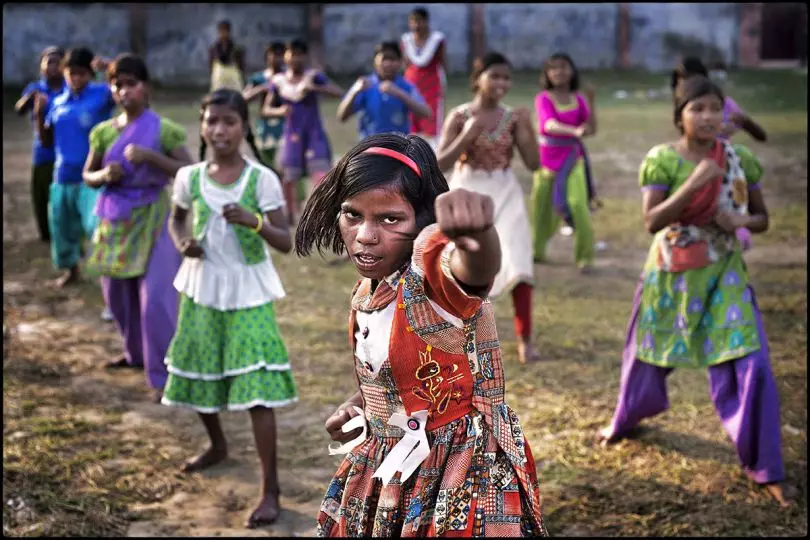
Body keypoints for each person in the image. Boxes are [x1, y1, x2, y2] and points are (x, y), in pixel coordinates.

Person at [295, 133, 548, 537]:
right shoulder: (367, 292)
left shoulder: (430, 279)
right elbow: (398, 374)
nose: (365, 235)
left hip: (455, 472)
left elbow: (473, 273)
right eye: (353, 215)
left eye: (390, 219)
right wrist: (362, 405)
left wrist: (478, 235)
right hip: (390, 463)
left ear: (424, 220)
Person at [598, 76, 791, 508]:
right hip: (672, 274)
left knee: (751, 363)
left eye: (715, 108)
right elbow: (651, 221)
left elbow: (763, 219)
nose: (708, 116)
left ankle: (766, 466)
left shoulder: (740, 158)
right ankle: (625, 420)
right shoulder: (662, 160)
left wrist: (738, 222)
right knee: (645, 354)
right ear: (679, 116)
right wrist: (695, 182)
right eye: (697, 108)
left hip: (725, 273)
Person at [161, 88, 297, 528]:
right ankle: (217, 444)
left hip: (249, 293)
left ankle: (270, 489)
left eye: (229, 122)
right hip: (202, 288)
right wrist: (183, 243)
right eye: (211, 121)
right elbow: (177, 217)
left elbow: (286, 238)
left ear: (244, 127)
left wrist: (253, 221)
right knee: (201, 373)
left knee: (257, 389)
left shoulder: (261, 180)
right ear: (201, 126)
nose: (220, 130)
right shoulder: (190, 177)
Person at [82, 54, 192, 399]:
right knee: (117, 295)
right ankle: (135, 354)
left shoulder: (163, 129)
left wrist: (152, 158)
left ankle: (162, 374)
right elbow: (87, 175)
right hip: (114, 217)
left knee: (156, 298)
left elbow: (190, 171)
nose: (124, 90)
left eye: (131, 83)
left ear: (146, 88)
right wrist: (102, 176)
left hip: (155, 216)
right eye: (118, 84)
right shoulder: (102, 132)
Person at [437, 52, 540, 365]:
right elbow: (440, 163)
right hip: (467, 191)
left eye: (506, 77)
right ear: (478, 78)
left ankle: (525, 340)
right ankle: (459, 340)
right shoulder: (459, 115)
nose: (501, 83)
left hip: (504, 192)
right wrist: (468, 134)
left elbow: (534, 163)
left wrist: (528, 129)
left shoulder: (512, 117)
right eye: (494, 76)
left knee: (520, 261)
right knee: (461, 267)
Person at [35, 46, 117, 289]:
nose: (76, 78)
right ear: (64, 72)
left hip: (92, 176)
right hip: (62, 175)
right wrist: (40, 116)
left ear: (89, 75)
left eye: (82, 73)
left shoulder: (101, 95)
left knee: (98, 228)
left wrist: (108, 67)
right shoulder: (56, 101)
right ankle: (72, 270)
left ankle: (110, 277)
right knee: (61, 228)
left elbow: (126, 87)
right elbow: (48, 141)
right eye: (72, 73)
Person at [530, 53, 599, 272]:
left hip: (573, 159)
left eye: (564, 67)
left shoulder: (578, 99)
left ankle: (585, 257)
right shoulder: (543, 98)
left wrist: (592, 102)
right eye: (554, 68)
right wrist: (574, 131)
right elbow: (548, 125)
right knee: (542, 211)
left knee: (578, 205)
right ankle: (537, 251)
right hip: (547, 161)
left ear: (572, 71)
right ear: (547, 74)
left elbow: (591, 129)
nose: (559, 72)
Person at [266, 39, 343, 225]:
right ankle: (290, 216)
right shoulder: (279, 81)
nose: (296, 58)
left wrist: (315, 88)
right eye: (292, 53)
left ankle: (321, 215)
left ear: (305, 57)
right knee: (289, 178)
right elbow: (266, 108)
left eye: (300, 54)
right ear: (286, 56)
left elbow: (338, 92)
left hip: (314, 133)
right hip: (292, 134)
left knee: (321, 174)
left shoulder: (313, 77)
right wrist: (279, 111)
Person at [15, 46, 66, 243]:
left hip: (65, 153)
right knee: (41, 195)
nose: (53, 66)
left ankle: (63, 232)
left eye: (57, 62)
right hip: (43, 153)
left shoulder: (69, 89)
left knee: (62, 197)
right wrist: (29, 100)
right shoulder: (36, 89)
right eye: (49, 62)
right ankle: (46, 234)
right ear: (41, 67)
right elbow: (19, 110)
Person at [337, 41, 431, 140]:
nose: (388, 64)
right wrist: (354, 92)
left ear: (400, 62)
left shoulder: (406, 87)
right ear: (375, 62)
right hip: (370, 146)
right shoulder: (365, 85)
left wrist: (400, 94)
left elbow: (426, 113)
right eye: (384, 59)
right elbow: (341, 117)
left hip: (398, 147)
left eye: (392, 59)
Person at [671, 56, 767, 142]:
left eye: (715, 109)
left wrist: (744, 122)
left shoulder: (724, 102)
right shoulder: (668, 156)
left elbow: (760, 136)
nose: (706, 116)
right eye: (698, 109)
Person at [401, 7, 447, 150]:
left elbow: (443, 63)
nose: (416, 25)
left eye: (419, 21)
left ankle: (431, 158)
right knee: (411, 124)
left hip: (431, 86)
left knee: (431, 124)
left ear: (426, 22)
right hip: (411, 86)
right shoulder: (406, 40)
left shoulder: (436, 40)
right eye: (413, 21)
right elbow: (406, 64)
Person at [209, 19, 245, 93]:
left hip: (233, 83)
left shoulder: (236, 49)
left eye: (225, 30)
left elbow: (241, 66)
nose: (223, 33)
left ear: (229, 32)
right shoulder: (213, 49)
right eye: (221, 30)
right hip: (218, 83)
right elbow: (211, 66)